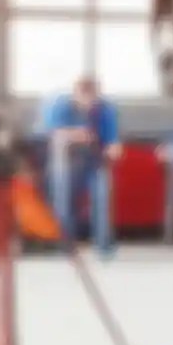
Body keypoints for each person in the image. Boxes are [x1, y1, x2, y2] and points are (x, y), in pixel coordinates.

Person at [40, 75, 122, 259]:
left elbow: (112, 138)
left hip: (95, 159)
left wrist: (114, 147)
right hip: (65, 159)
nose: (89, 105)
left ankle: (103, 245)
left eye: (93, 100)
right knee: (63, 200)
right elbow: (53, 133)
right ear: (76, 94)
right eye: (85, 99)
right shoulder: (59, 106)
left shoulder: (105, 109)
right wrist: (77, 134)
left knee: (102, 197)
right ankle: (65, 244)